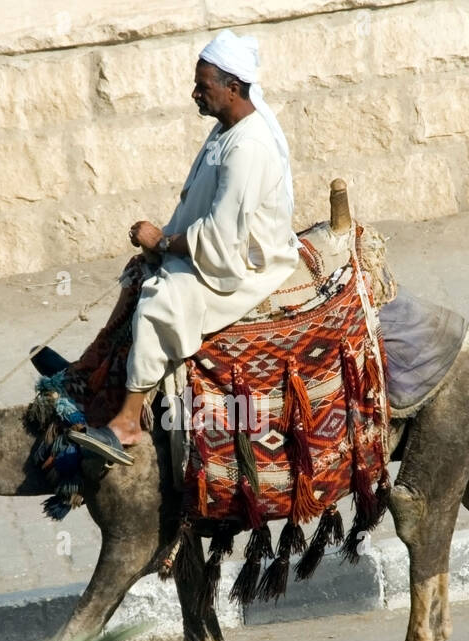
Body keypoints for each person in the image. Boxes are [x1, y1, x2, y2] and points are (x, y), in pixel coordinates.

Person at [67, 29, 299, 466]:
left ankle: (129, 420)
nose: (194, 93)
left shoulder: (248, 146)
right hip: (218, 246)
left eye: (203, 86)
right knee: (140, 272)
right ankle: (91, 370)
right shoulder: (224, 131)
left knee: (162, 300)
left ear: (233, 88)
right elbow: (199, 207)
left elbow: (221, 239)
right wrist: (157, 250)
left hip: (251, 264)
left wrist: (164, 242)